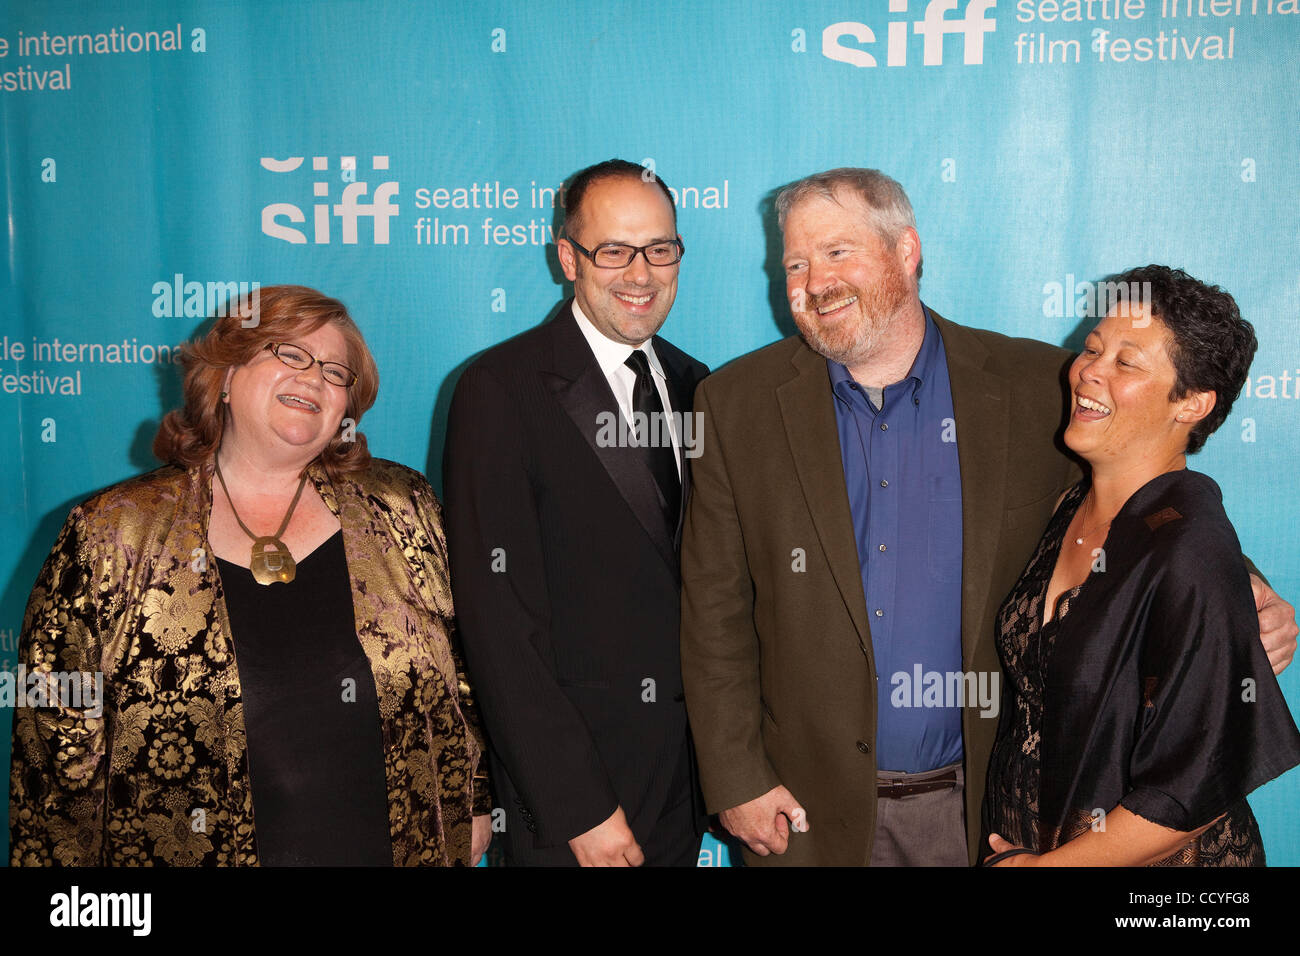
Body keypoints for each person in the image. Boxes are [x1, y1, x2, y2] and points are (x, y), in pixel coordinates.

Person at [679, 168, 1298, 866]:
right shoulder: (735, 404)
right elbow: (713, 608)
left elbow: (1143, 491)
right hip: (801, 811)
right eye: (795, 261)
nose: (814, 281)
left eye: (837, 251)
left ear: (906, 251)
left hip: (984, 812)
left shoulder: (1042, 386)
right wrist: (737, 779)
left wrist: (1244, 585)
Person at [8, 285, 492, 866]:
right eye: (289, 353)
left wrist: (478, 798)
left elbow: (466, 668)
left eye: (336, 372)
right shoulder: (111, 533)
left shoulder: (401, 503)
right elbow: (55, 742)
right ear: (227, 377)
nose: (314, 377)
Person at [981, 266, 1300, 866]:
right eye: (1093, 349)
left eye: (1128, 362)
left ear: (1192, 403)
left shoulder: (1195, 546)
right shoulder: (1067, 506)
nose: (1089, 370)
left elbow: (1192, 790)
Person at [444, 159, 710, 866]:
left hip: (684, 784)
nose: (640, 273)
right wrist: (577, 806)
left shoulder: (700, 386)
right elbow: (497, 624)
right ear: (569, 258)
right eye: (613, 250)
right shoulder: (500, 389)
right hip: (573, 801)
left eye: (660, 249)